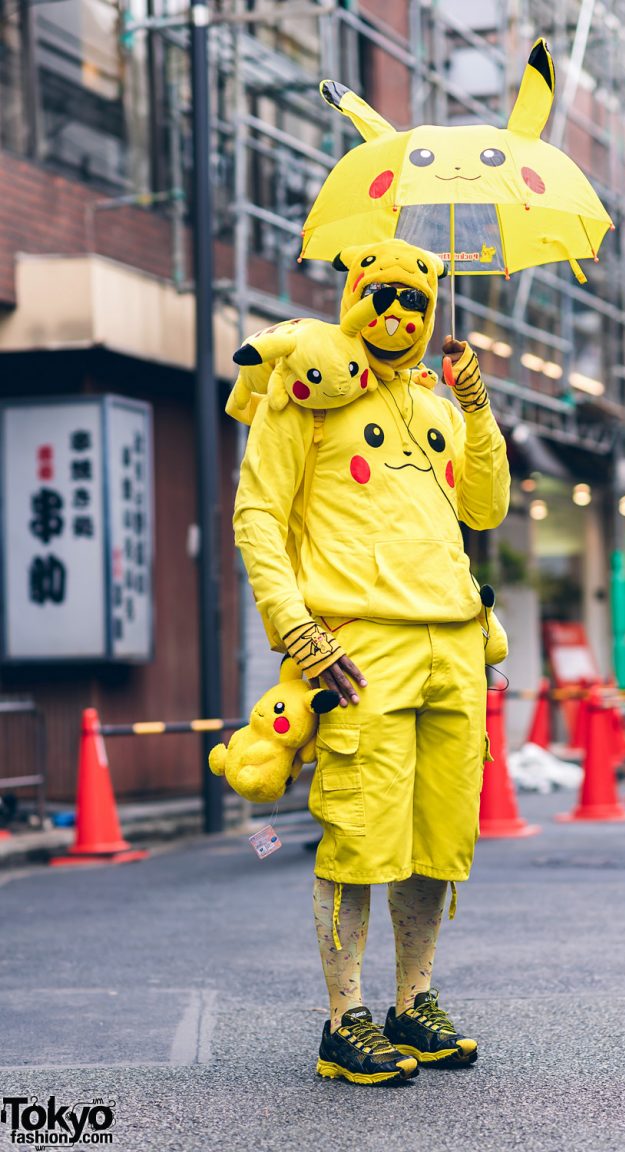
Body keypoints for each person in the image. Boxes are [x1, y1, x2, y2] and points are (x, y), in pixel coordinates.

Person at [232, 238, 510, 1085]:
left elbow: (486, 506)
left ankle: (412, 1000)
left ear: (431, 313)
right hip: (360, 650)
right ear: (354, 294)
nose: (397, 316)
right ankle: (344, 1019)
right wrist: (297, 632)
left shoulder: (438, 398)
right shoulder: (304, 385)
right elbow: (257, 514)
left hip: (453, 641)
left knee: (434, 840)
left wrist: (477, 405)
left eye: (414, 304)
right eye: (381, 297)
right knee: (358, 838)